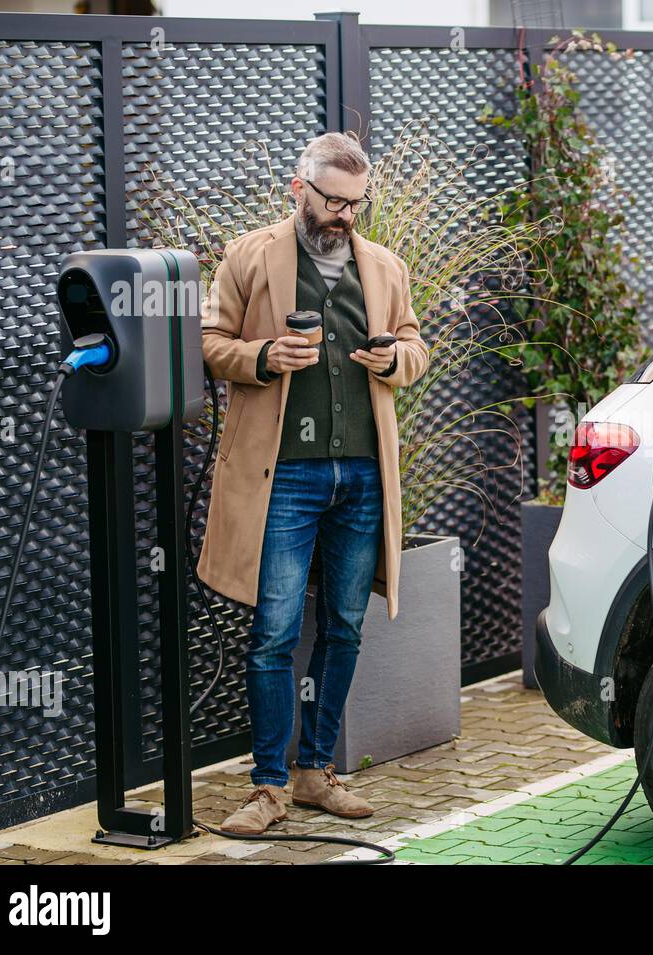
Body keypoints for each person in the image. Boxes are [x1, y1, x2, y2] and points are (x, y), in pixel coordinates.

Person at [196, 131, 429, 835]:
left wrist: (394, 359)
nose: (346, 214)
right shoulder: (249, 255)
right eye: (333, 200)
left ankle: (315, 772)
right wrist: (264, 356)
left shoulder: (385, 266)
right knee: (273, 631)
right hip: (282, 479)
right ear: (298, 190)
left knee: (345, 626)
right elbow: (209, 344)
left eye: (357, 202)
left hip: (362, 473)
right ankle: (267, 785)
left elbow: (417, 344)